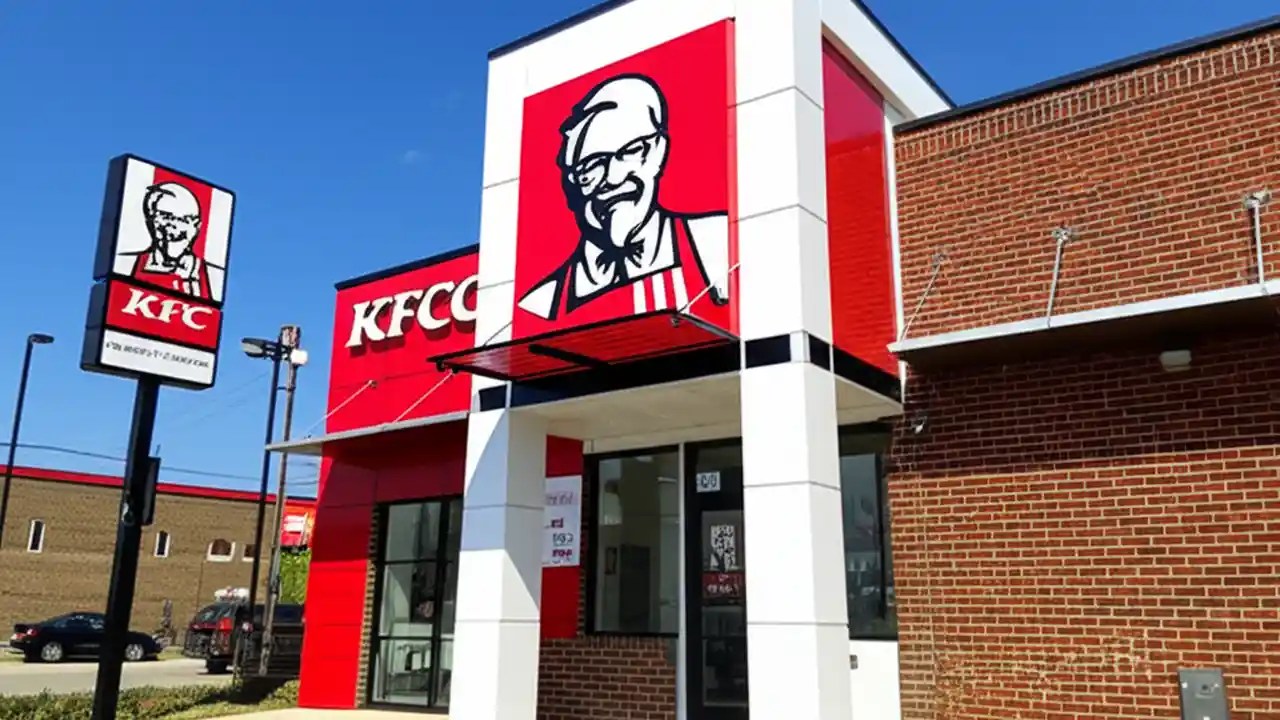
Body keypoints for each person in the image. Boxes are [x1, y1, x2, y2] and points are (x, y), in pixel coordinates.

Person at [517, 74, 730, 321]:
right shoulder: (541, 305)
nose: (614, 177)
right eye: (592, 165)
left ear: (658, 152)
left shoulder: (715, 243)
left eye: (630, 151)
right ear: (572, 183)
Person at [126, 181, 213, 299]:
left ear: (196, 227)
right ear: (151, 220)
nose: (175, 226)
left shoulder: (210, 274)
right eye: (166, 217)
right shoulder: (126, 265)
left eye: (185, 220)